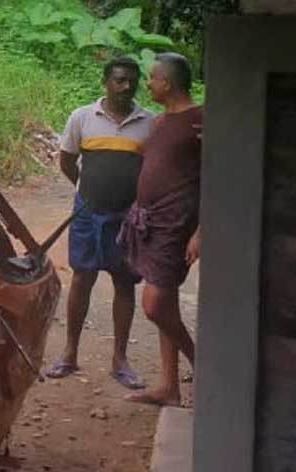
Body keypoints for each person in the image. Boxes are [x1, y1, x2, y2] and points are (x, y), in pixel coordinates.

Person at [43, 57, 153, 390]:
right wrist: (86, 190)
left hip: (127, 216)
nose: (126, 86)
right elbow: (66, 161)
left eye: (132, 80)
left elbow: (151, 169)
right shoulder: (82, 117)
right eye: (119, 80)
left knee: (124, 282)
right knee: (82, 278)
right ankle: (69, 353)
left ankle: (120, 360)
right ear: (105, 82)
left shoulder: (149, 122)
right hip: (88, 213)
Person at [120, 52, 202, 406]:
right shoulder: (158, 122)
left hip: (176, 225)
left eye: (152, 78)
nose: (147, 84)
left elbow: (217, 178)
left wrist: (202, 231)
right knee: (164, 302)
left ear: (167, 83)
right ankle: (169, 386)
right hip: (149, 222)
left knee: (154, 305)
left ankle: (205, 364)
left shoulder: (201, 122)